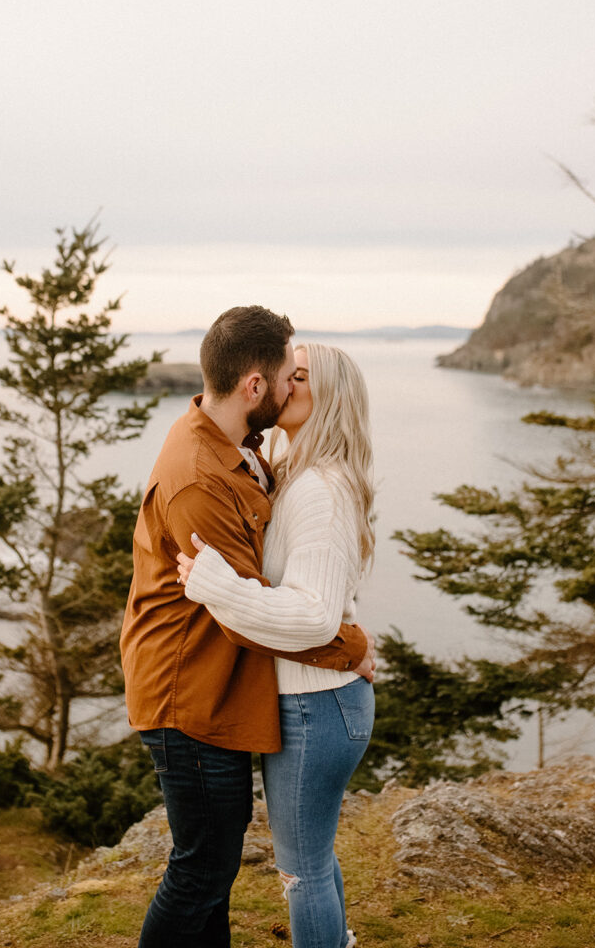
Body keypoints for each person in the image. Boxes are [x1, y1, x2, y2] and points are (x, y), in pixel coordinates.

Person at [120, 307, 374, 948]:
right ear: (256, 385)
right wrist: (351, 647)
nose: (291, 387)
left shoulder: (243, 451)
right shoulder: (201, 479)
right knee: (203, 869)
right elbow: (236, 613)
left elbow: (267, 595)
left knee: (214, 868)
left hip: (217, 690)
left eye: (301, 378)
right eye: (290, 375)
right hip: (188, 692)